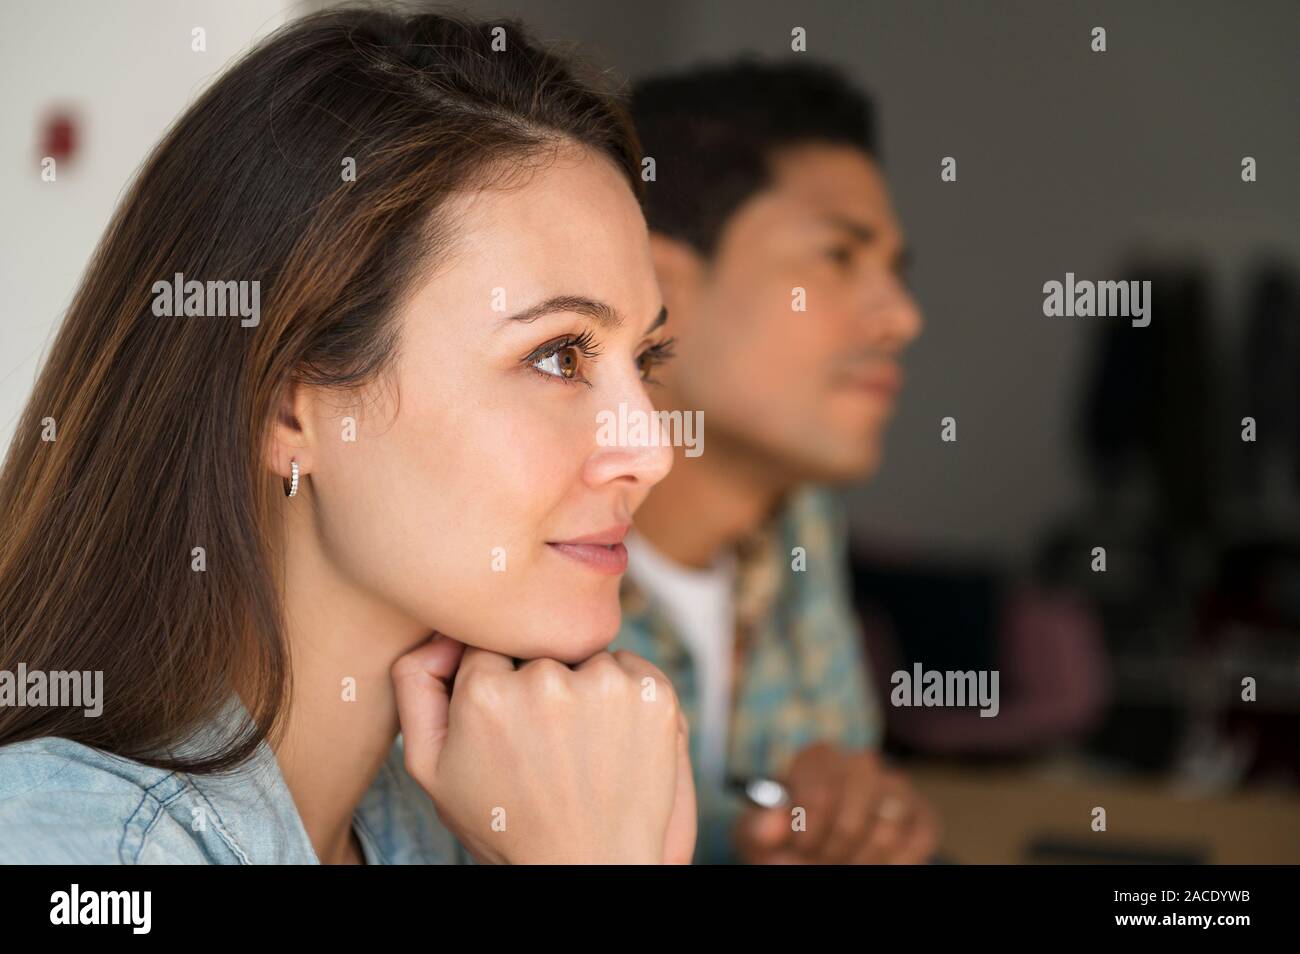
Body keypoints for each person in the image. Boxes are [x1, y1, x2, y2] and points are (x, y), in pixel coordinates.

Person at [0, 7, 695, 865]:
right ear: (288, 410)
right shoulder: (71, 849)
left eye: (648, 358)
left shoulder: (483, 811)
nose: (653, 451)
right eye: (557, 356)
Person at [611, 60, 937, 863]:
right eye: (838, 256)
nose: (903, 317)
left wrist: (862, 819)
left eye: (896, 271)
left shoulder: (796, 517)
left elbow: (829, 788)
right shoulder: (510, 572)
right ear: (660, 289)